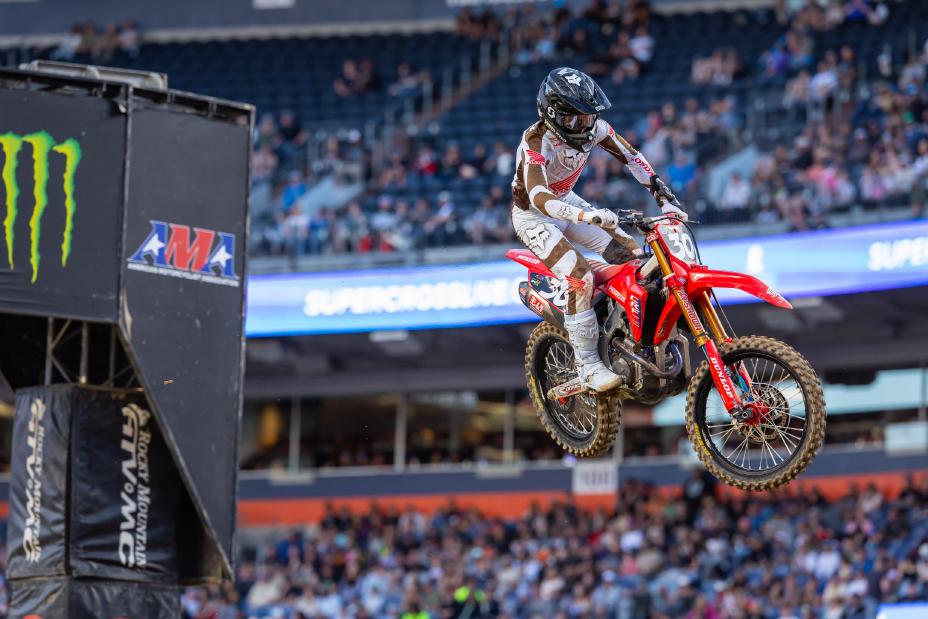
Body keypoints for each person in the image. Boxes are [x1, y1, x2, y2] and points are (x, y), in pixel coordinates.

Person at [510, 67, 686, 392]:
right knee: (579, 276)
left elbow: (632, 158)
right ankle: (588, 365)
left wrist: (665, 199)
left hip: (566, 201)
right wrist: (585, 216)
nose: (585, 124)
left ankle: (624, 332)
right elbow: (539, 196)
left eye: (588, 116)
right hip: (534, 216)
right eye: (576, 118)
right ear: (554, 116)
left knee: (636, 258)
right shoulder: (535, 141)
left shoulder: (596, 128)